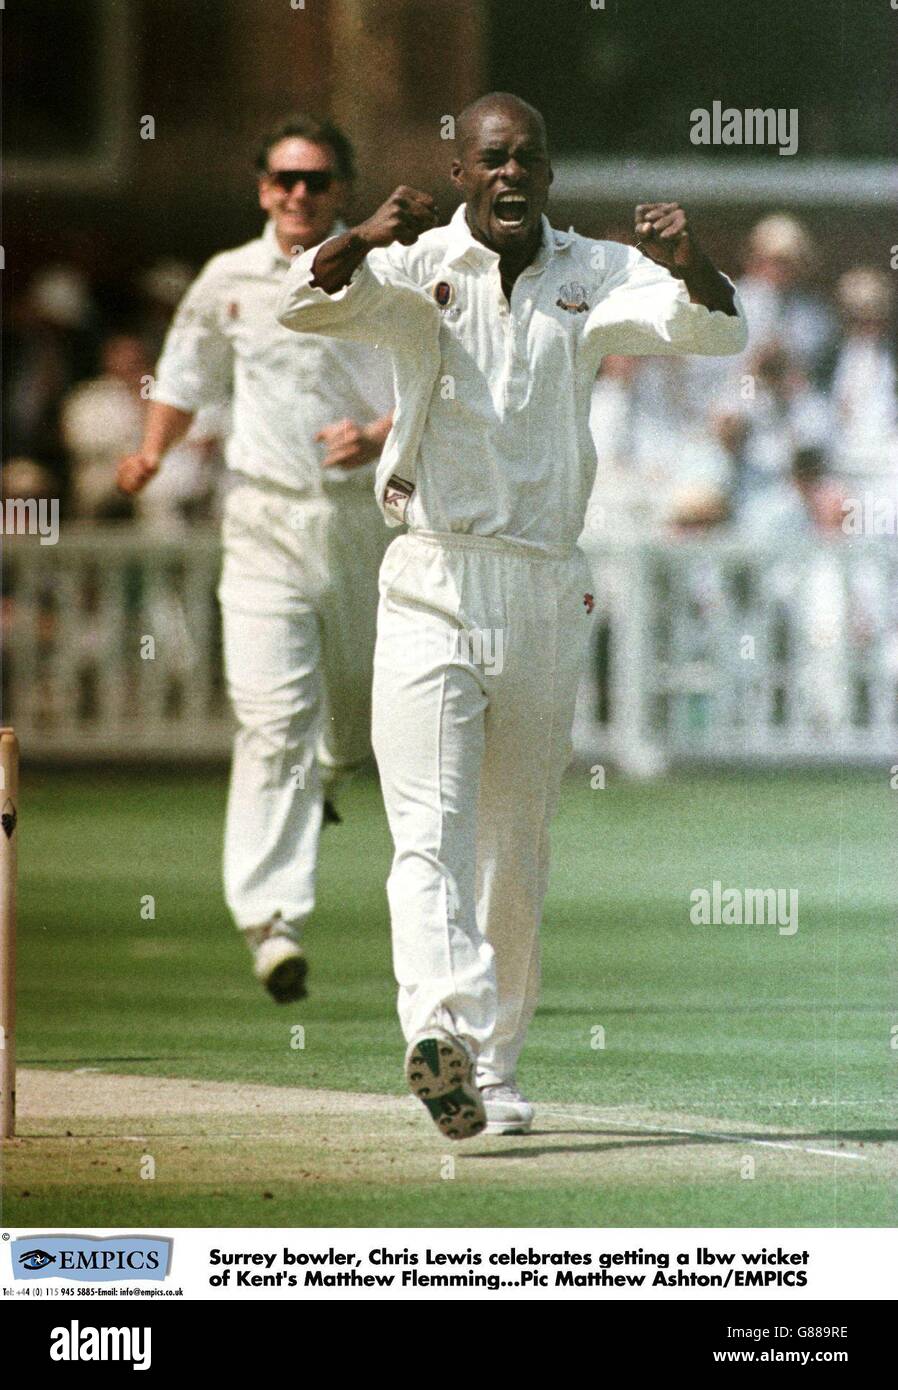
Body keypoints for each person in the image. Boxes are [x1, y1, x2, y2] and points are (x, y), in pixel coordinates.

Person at [278, 92, 747, 1140]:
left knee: (513, 841)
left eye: (528, 160)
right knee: (428, 829)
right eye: (491, 159)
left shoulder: (592, 269)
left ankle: (491, 1071)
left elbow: (719, 330)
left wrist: (687, 258)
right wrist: (360, 234)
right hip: (431, 574)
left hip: (540, 581)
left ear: (548, 172)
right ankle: (437, 1032)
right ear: (460, 171)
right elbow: (297, 305)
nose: (510, 175)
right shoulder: (413, 262)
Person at [117, 115, 393, 1003]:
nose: (299, 194)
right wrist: (153, 452)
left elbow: (438, 379)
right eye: (285, 179)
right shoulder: (228, 277)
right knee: (273, 718)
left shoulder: (387, 271)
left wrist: (379, 434)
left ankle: (334, 770)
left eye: (316, 181)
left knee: (352, 713)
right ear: (263, 186)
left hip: (361, 520)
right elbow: (186, 375)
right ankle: (272, 922)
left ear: (342, 189)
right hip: (262, 518)